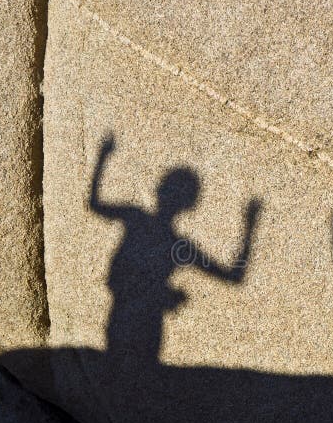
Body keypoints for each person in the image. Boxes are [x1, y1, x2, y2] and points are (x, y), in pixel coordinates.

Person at [89, 134, 261, 361]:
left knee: (123, 370)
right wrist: (250, 226)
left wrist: (102, 158)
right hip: (144, 320)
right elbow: (233, 275)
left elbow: (94, 204)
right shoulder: (178, 246)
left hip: (128, 316)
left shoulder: (138, 220)